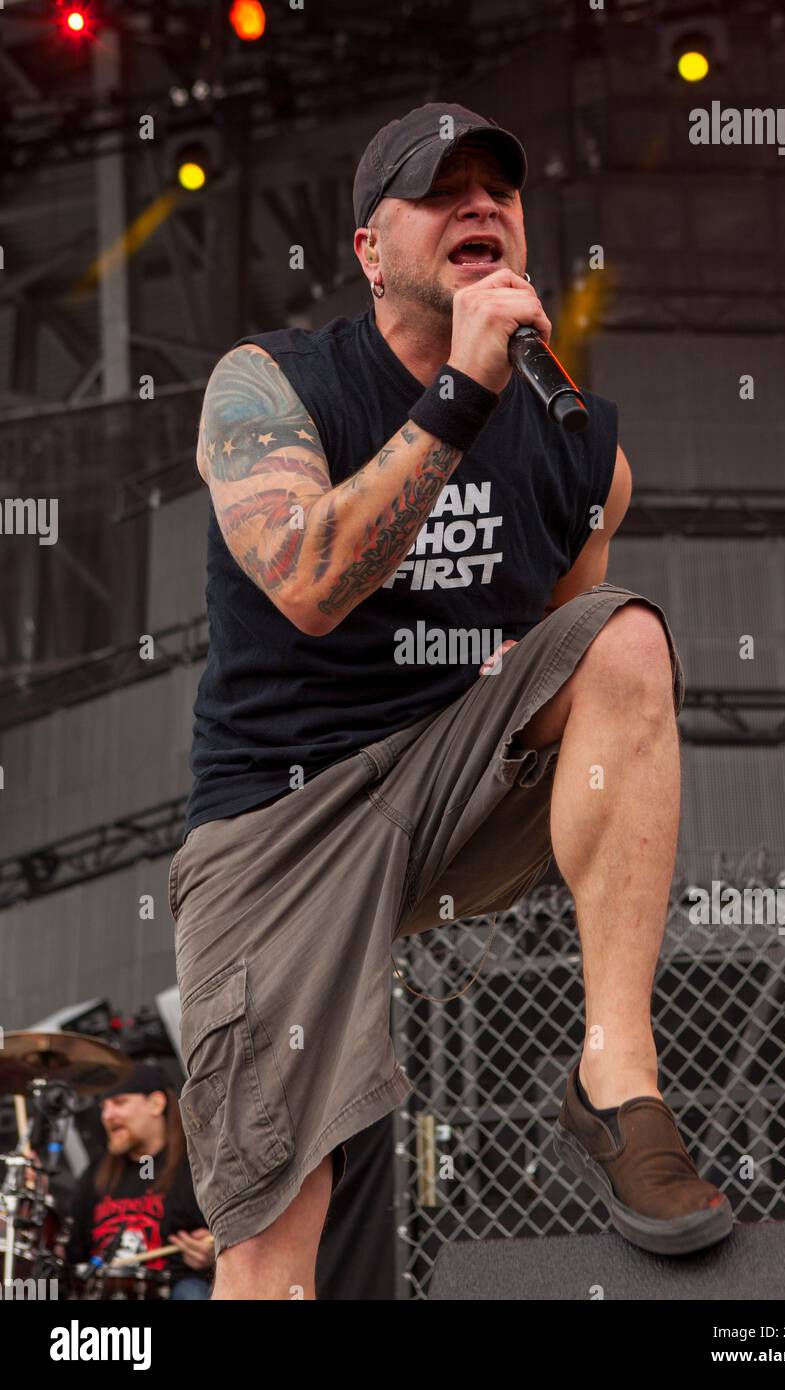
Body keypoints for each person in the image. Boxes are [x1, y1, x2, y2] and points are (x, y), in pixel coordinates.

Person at [169, 100, 733, 1300]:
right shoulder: (266, 386)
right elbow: (311, 583)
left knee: (622, 638)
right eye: (439, 189)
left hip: (448, 786)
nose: (479, 203)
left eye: (498, 189)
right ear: (371, 250)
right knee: (271, 1250)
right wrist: (460, 394)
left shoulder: (579, 442)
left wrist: (503, 404)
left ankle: (613, 1076)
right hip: (281, 826)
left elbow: (561, 649)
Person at [64, 1062, 213, 1300]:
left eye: (119, 1103)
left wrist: (213, 1251)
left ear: (156, 1103)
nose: (107, 1115)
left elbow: (234, 1235)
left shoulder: (196, 1165)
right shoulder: (95, 1174)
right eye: (103, 1107)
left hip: (173, 1288)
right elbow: (72, 1254)